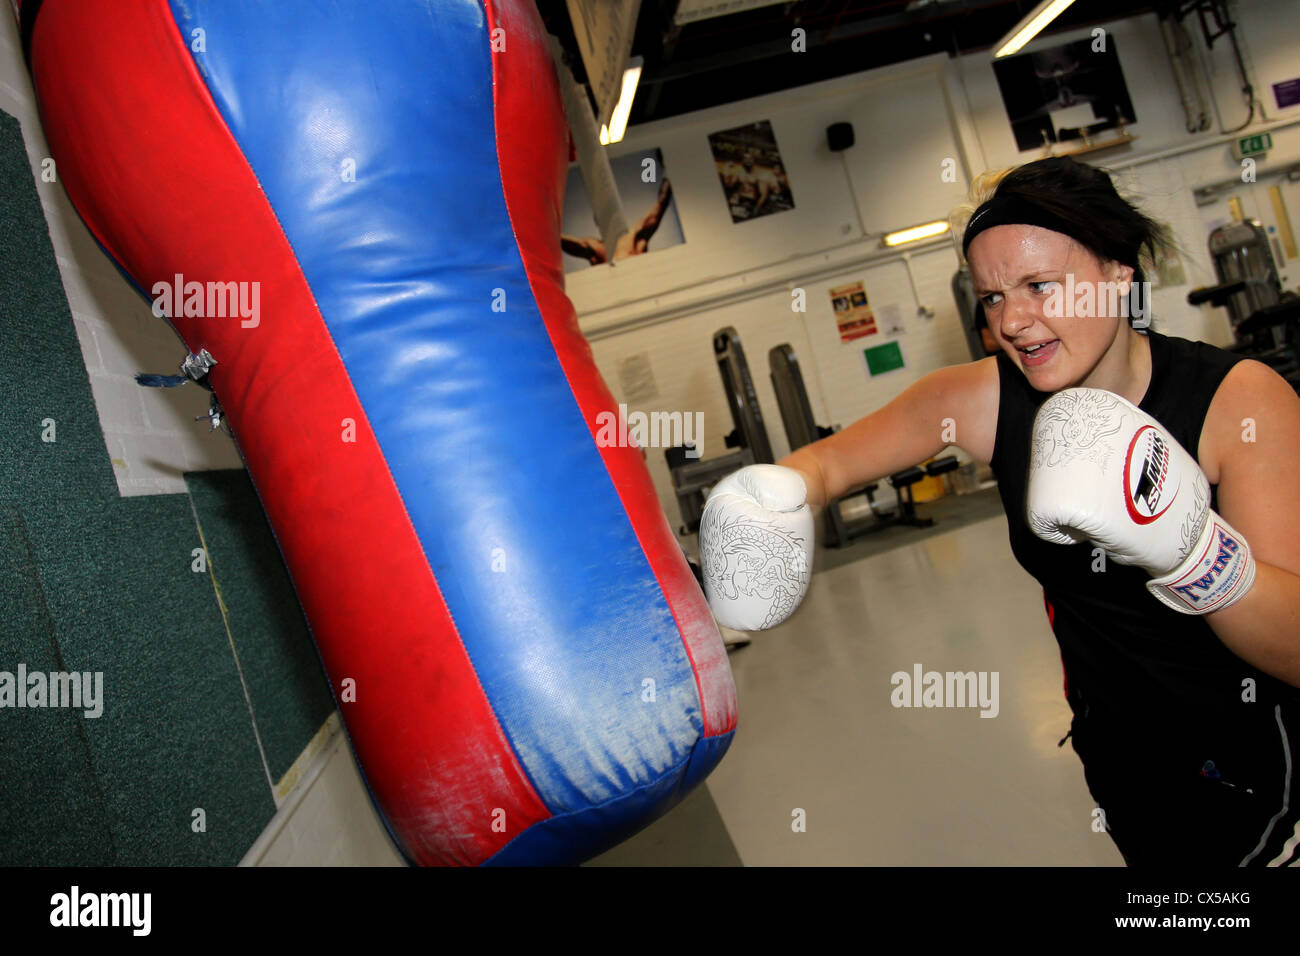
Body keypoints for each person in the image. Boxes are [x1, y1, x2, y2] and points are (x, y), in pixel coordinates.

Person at [698, 156, 1300, 866]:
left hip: (1257, 758)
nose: (1013, 322)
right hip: (1122, 763)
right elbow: (826, 464)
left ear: (1118, 273)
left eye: (1039, 286)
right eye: (991, 298)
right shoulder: (986, 402)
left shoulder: (1237, 403)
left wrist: (1196, 554)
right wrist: (775, 494)